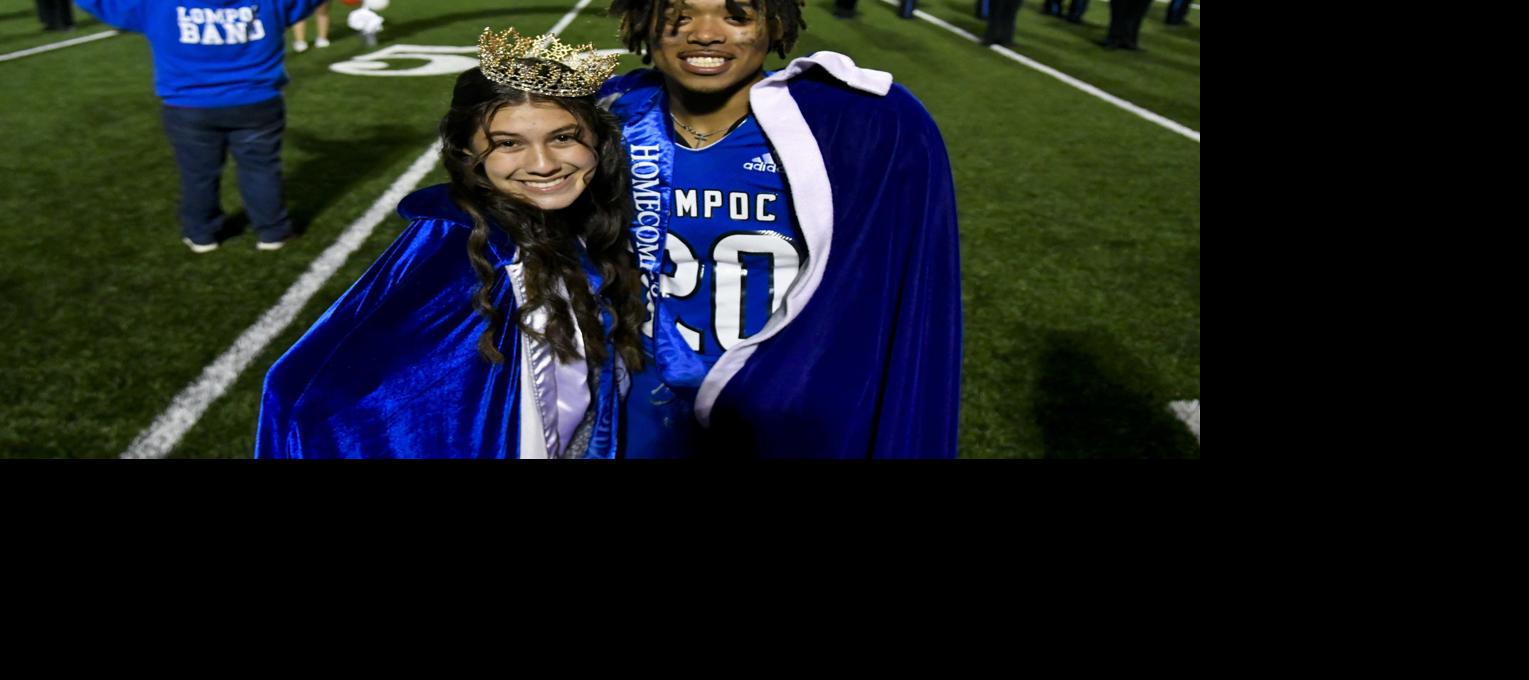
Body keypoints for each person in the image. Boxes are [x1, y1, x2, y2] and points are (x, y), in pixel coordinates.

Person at [256, 28, 643, 458]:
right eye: (508, 144)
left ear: (597, 141)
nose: (544, 164)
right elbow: (304, 391)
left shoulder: (571, 218)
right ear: (465, 153)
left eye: (563, 137)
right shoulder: (457, 249)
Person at [600, 0, 962, 458]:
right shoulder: (606, 119)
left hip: (782, 401)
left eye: (736, 17)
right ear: (645, 22)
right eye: (680, 15)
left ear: (774, 25)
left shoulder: (840, 128)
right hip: (641, 401)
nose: (705, 34)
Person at [75, 1, 319, 252]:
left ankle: (202, 233)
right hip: (255, 101)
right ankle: (272, 231)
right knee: (261, 168)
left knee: (198, 174)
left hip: (189, 105)